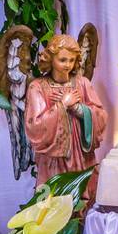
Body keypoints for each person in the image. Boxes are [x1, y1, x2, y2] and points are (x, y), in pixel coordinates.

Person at [24, 34, 108, 197]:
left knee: (81, 199)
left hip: (82, 157)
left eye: (71, 60)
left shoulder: (82, 83)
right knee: (55, 201)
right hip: (54, 161)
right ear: (50, 59)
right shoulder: (38, 87)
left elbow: (101, 115)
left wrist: (78, 109)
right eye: (62, 60)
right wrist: (62, 105)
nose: (68, 65)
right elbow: (34, 125)